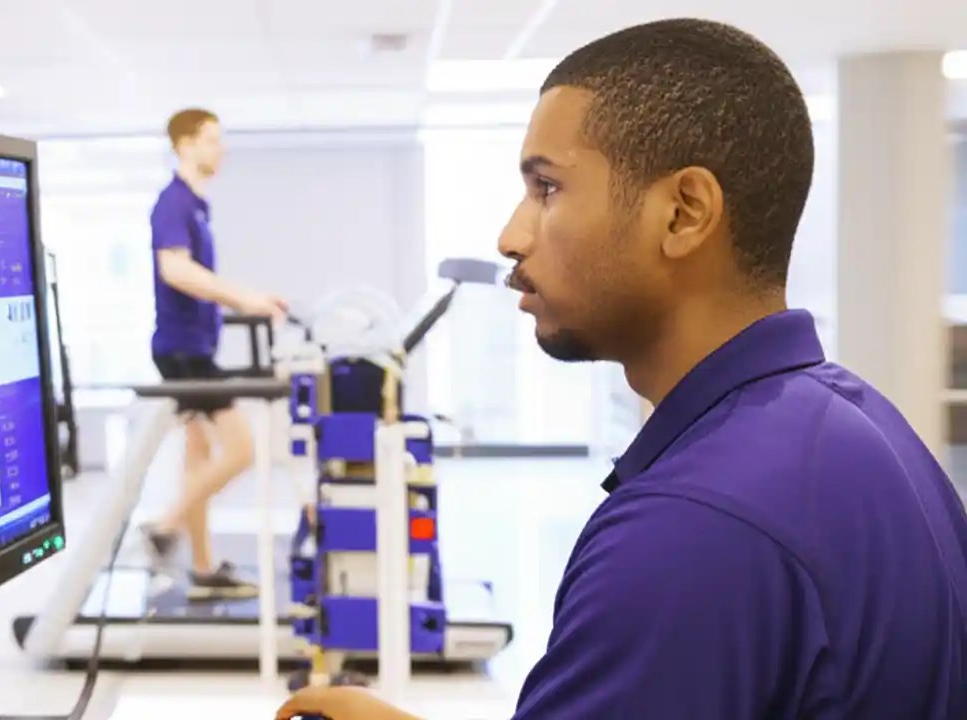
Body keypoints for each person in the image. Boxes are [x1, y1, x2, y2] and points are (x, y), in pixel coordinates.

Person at [277, 17, 967, 720]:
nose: (511, 236)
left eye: (547, 188)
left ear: (683, 213)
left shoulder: (690, 526)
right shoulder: (864, 424)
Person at [142, 107, 288, 601]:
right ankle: (164, 525)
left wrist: (242, 304)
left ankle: (202, 571)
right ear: (184, 144)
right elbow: (176, 272)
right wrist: (243, 297)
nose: (219, 149)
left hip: (195, 345)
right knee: (243, 450)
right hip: (185, 354)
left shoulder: (197, 205)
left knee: (197, 461)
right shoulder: (173, 204)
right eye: (210, 140)